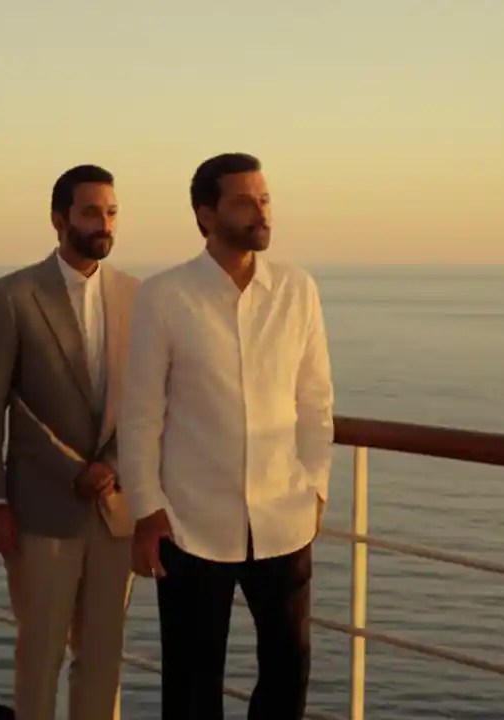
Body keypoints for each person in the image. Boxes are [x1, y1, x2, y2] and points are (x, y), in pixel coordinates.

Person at [117, 152, 335, 719]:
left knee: (288, 676)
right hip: (190, 524)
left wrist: (315, 488)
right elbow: (140, 411)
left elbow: (315, 401)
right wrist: (147, 509)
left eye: (265, 199)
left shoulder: (297, 289)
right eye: (244, 201)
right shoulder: (165, 296)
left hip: (284, 519)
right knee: (191, 686)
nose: (261, 211)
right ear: (205, 215)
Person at [0, 164, 141, 720]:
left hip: (116, 509)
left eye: (112, 211)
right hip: (40, 509)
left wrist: (112, 464)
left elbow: (148, 399)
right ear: (58, 218)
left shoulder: (140, 297)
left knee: (103, 659)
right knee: (38, 656)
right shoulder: (13, 296)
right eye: (92, 211)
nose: (104, 222)